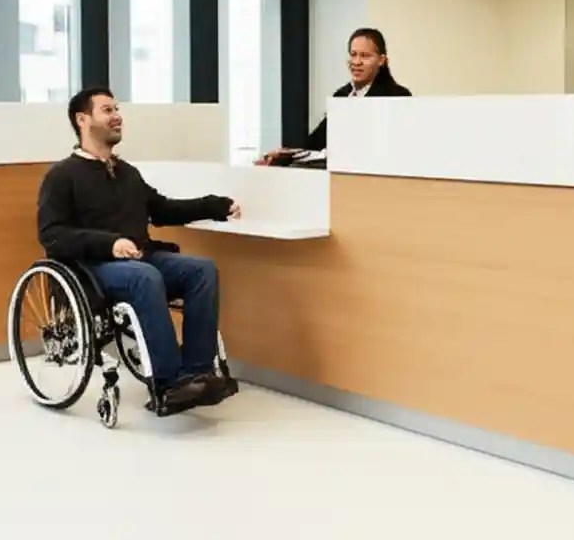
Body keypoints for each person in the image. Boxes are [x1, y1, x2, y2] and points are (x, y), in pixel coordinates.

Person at [37, 87, 242, 410]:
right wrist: (110, 243)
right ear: (82, 119)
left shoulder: (126, 173)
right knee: (144, 277)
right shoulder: (62, 176)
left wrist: (216, 206)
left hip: (141, 258)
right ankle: (168, 382)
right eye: (107, 110)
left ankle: (199, 374)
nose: (117, 115)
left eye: (117, 109)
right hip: (93, 268)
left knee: (201, 270)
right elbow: (52, 234)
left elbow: (161, 209)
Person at [257, 27, 411, 164]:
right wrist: (284, 155)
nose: (356, 62)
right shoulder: (341, 96)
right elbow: (314, 143)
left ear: (381, 60)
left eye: (365, 56)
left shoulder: (397, 96)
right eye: (353, 54)